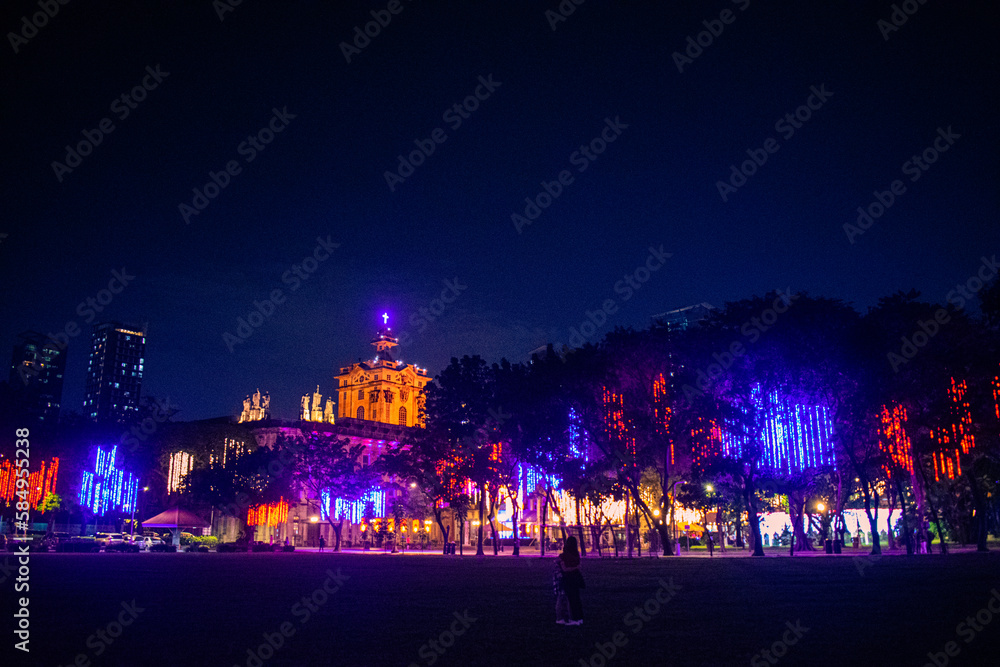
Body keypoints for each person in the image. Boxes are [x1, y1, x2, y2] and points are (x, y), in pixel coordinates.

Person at [555, 535, 584, 625]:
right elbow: (578, 566)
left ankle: (566, 618)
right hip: (575, 579)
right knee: (576, 599)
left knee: (565, 599)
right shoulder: (576, 555)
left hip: (566, 579)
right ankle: (578, 618)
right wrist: (576, 568)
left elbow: (564, 569)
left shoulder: (563, 556)